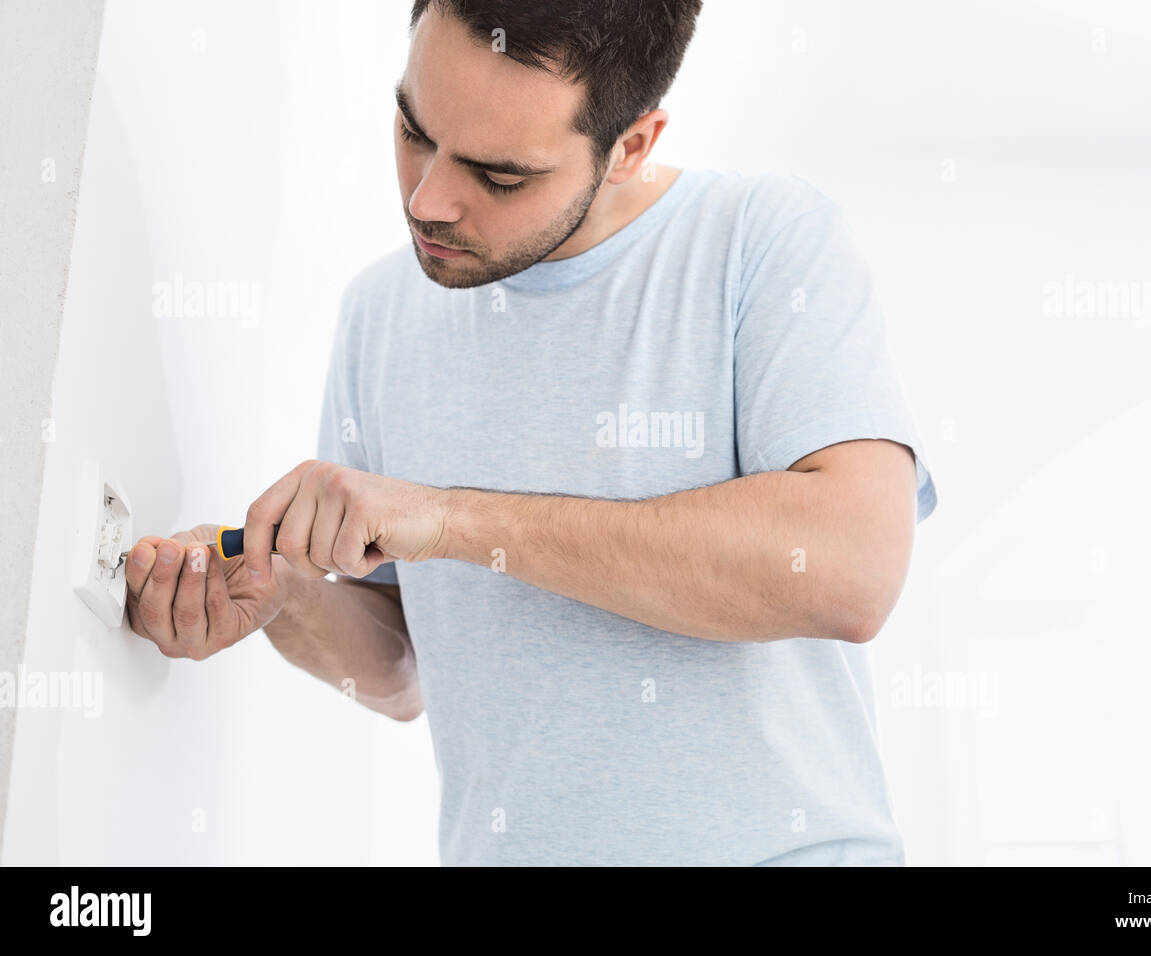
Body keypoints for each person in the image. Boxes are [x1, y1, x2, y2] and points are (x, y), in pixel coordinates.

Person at [124, 0, 939, 866]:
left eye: (499, 176)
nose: (429, 200)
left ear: (632, 145)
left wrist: (451, 521)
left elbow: (852, 569)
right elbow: (403, 668)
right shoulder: (381, 314)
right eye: (412, 130)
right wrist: (284, 595)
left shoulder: (764, 244)